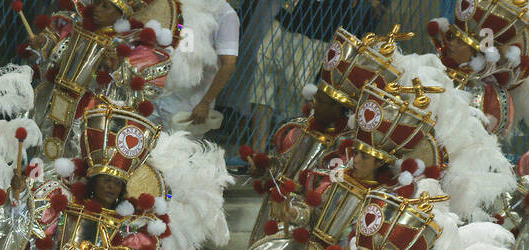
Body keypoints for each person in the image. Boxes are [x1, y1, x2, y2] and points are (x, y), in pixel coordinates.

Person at [246, 0, 390, 150]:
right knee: (262, 77)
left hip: (320, 30)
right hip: (286, 17)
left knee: (298, 90)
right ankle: (257, 151)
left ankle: (286, 151)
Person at [158, 0, 240, 133]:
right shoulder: (182, 4)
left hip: (189, 108)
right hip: (159, 97)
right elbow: (178, 32)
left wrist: (205, 102)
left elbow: (228, 64)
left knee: (180, 151)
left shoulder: (226, 15)